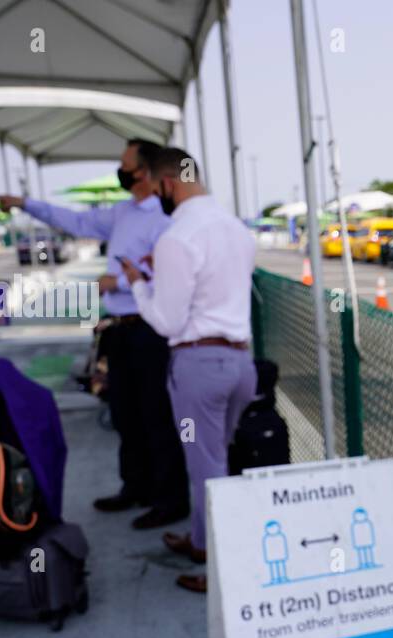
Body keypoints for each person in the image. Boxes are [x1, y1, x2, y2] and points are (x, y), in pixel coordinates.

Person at [0, 139, 189, 530]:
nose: (121, 169)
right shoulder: (122, 213)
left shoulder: (167, 219)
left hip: (150, 329)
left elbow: (172, 273)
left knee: (157, 416)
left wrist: (117, 282)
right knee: (125, 413)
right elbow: (75, 221)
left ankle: (170, 499)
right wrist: (23, 203)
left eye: (125, 164)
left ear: (145, 173)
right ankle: (136, 486)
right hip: (119, 330)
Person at [121, 148, 257, 594]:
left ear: (166, 184)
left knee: (207, 471)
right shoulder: (237, 229)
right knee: (216, 460)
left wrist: (140, 284)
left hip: (199, 365)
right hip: (241, 363)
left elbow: (167, 321)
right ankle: (201, 542)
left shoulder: (177, 237)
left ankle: (222, 576)